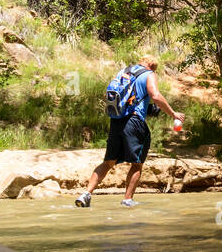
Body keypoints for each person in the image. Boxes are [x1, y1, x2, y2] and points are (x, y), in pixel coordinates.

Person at [76, 55, 183, 208]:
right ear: (151, 65)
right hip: (134, 122)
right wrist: (173, 114)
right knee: (137, 163)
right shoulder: (149, 74)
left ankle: (86, 194)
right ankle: (127, 200)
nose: (154, 71)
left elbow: (112, 95)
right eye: (155, 69)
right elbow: (155, 95)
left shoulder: (123, 72)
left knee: (108, 162)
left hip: (116, 121)